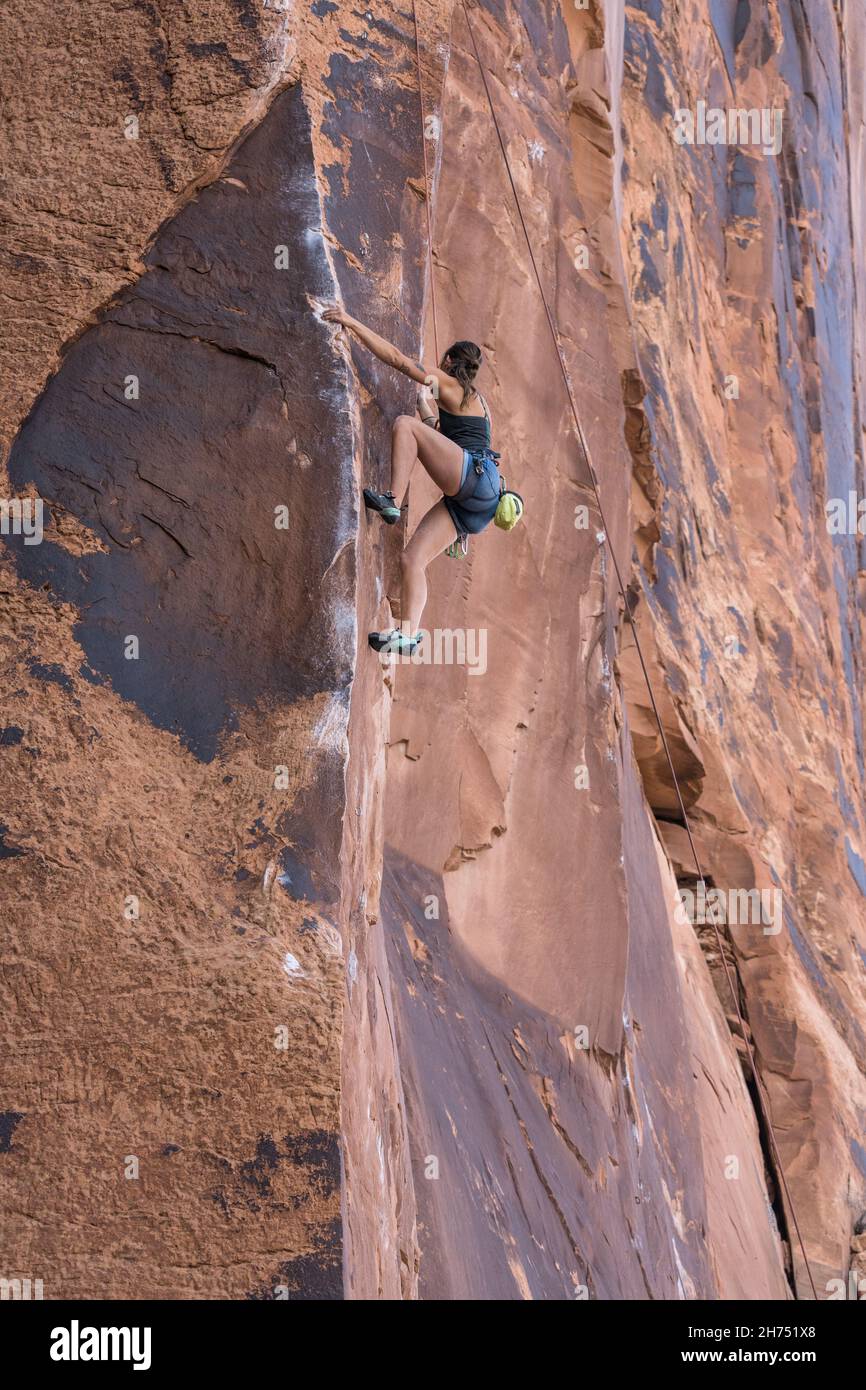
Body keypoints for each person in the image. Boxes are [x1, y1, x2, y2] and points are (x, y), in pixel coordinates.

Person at [322, 306, 501, 655]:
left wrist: (351, 320)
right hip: (477, 498)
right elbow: (451, 442)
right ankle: (407, 636)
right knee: (412, 560)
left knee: (404, 425)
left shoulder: (449, 383)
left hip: (472, 479)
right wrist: (428, 412)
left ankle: (391, 500)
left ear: (449, 361)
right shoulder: (475, 402)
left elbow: (400, 361)